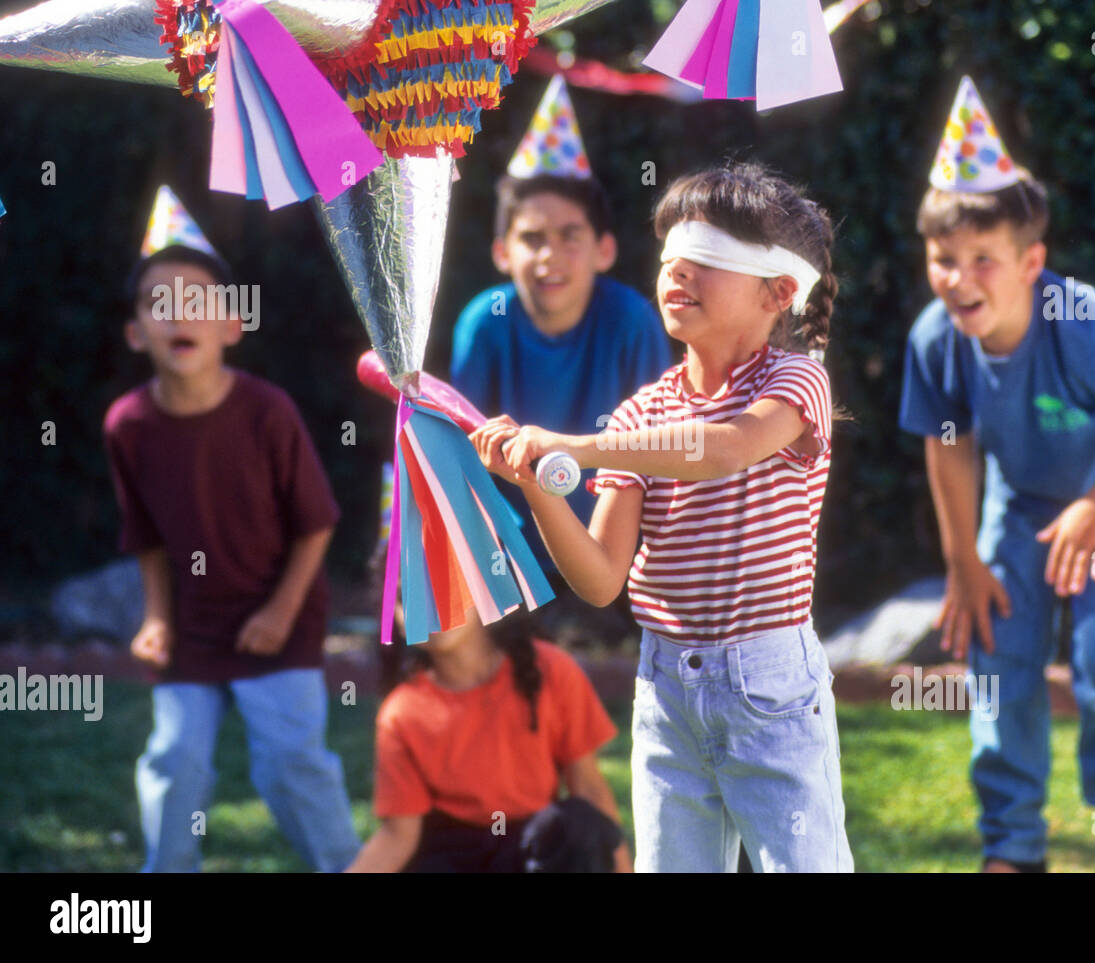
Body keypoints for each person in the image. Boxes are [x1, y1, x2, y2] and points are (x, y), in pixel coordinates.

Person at [470, 161, 853, 873]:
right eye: (671, 259)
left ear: (778, 291)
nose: (678, 274)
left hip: (768, 683)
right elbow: (601, 578)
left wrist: (578, 448)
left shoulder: (797, 381)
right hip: (665, 686)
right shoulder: (641, 413)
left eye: (706, 260)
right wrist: (539, 486)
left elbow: (723, 448)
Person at [898, 78, 1095, 873]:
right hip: (1024, 497)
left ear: (1032, 262)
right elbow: (950, 442)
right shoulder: (937, 336)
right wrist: (962, 559)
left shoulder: (1090, 330)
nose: (960, 277)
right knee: (997, 658)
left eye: (983, 259)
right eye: (943, 259)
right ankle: (1013, 847)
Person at [102, 188, 360, 872]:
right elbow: (147, 538)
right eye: (159, 303)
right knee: (174, 759)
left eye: (196, 300)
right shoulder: (127, 425)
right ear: (136, 332)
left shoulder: (267, 412)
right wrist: (156, 618)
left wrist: (278, 613)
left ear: (230, 324)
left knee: (292, 767)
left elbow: (317, 524)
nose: (177, 314)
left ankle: (347, 866)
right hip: (193, 630)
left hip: (283, 623)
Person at [451, 77, 672, 650]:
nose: (550, 256)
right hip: (514, 553)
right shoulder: (485, 321)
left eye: (570, 235)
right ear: (503, 252)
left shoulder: (632, 321)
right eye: (532, 237)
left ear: (605, 248)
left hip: (613, 546)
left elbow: (657, 452)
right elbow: (459, 461)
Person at [347, 608, 632, 873]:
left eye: (443, 583)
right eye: (406, 593)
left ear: (482, 584)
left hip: (530, 847)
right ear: (390, 614)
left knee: (576, 824)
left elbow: (589, 790)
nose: (427, 605)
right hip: (450, 855)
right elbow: (399, 836)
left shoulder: (551, 668)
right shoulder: (401, 712)